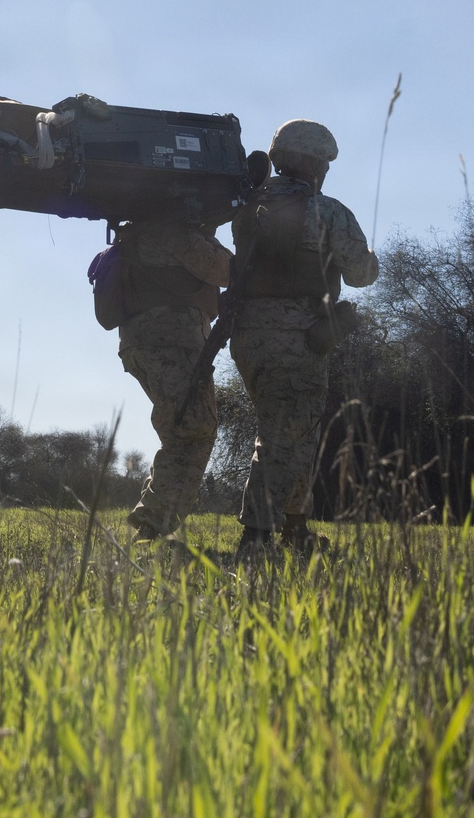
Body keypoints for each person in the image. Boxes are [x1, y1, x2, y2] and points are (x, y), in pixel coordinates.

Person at [230, 119, 378, 559]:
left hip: (246, 337)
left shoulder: (246, 204)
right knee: (284, 435)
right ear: (313, 163)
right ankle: (255, 538)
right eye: (324, 163)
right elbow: (362, 274)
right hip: (298, 338)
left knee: (294, 433)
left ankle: (296, 529)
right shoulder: (326, 210)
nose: (326, 172)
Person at [115, 212, 231, 540]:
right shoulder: (174, 229)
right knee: (195, 430)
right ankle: (153, 523)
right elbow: (224, 269)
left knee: (179, 429)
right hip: (172, 340)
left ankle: (153, 520)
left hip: (142, 343)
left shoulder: (138, 229)